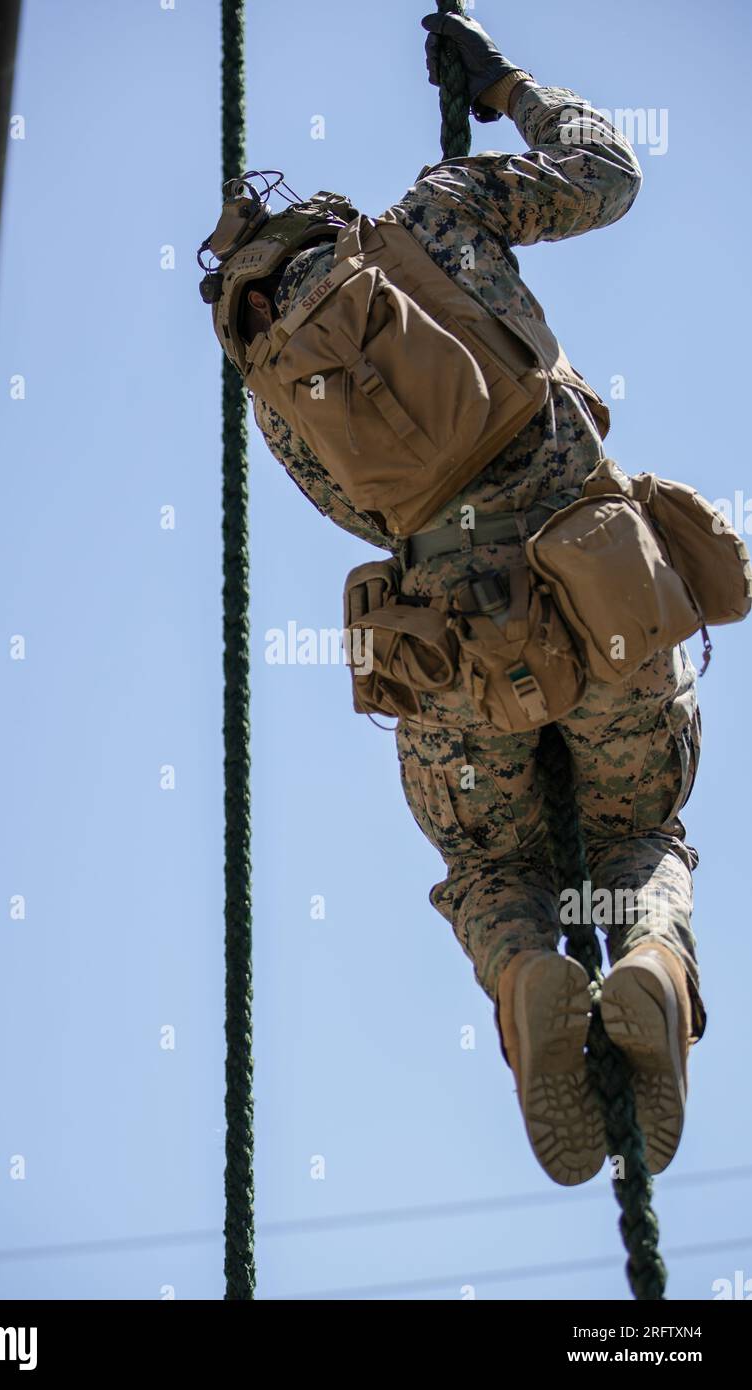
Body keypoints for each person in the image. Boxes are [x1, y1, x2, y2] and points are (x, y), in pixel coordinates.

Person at [200, 12, 705, 1186]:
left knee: (491, 868)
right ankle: (646, 961)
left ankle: (528, 969)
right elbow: (608, 173)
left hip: (456, 671)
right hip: (606, 597)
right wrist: (505, 89)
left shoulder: (278, 397)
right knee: (633, 832)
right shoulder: (438, 211)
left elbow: (362, 510)